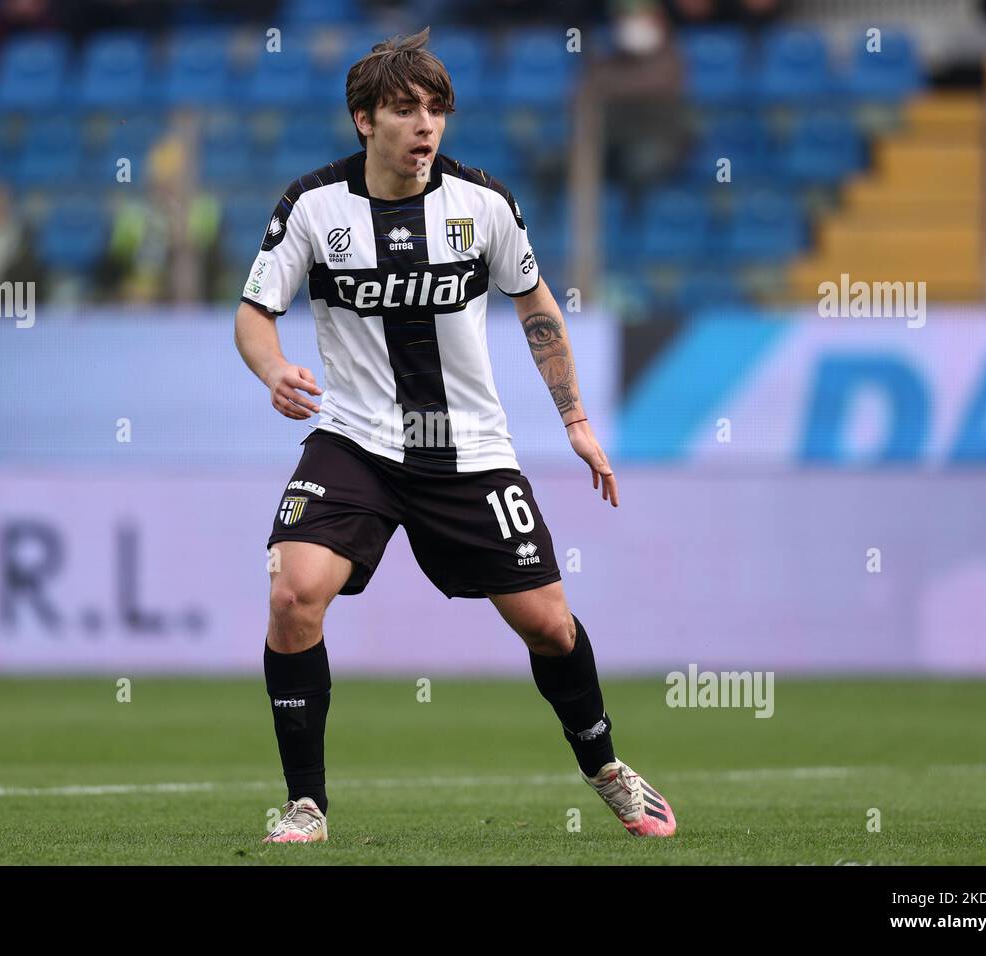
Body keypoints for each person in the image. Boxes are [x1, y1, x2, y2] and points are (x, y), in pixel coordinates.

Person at [233, 27, 676, 844]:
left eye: (436, 108)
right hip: (357, 441)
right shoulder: (311, 207)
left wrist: (574, 418)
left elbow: (538, 307)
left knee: (548, 624)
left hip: (468, 449)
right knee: (293, 594)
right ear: (365, 120)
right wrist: (272, 370)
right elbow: (255, 313)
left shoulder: (484, 204)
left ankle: (606, 765)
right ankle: (305, 804)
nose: (425, 125)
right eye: (406, 109)